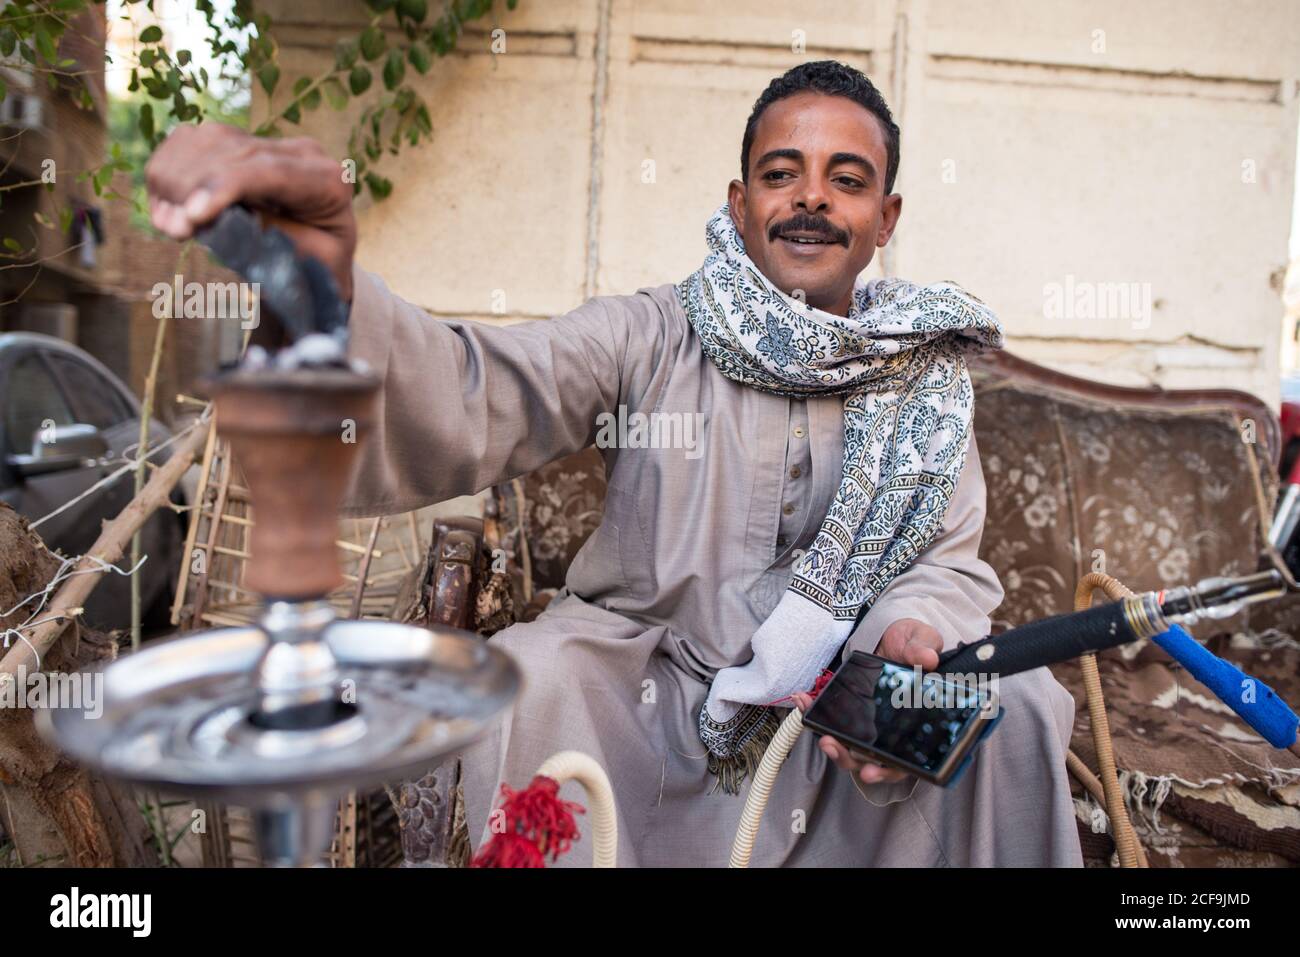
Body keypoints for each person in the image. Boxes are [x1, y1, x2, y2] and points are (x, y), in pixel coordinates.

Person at [145, 60, 1083, 867]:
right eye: (780, 173)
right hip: (650, 693)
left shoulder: (926, 386)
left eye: (846, 179)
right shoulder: (653, 331)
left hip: (834, 713)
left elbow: (941, 561)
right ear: (739, 203)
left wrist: (907, 634)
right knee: (532, 673)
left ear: (885, 216)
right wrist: (327, 285)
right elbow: (479, 384)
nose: (810, 199)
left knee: (1019, 707)